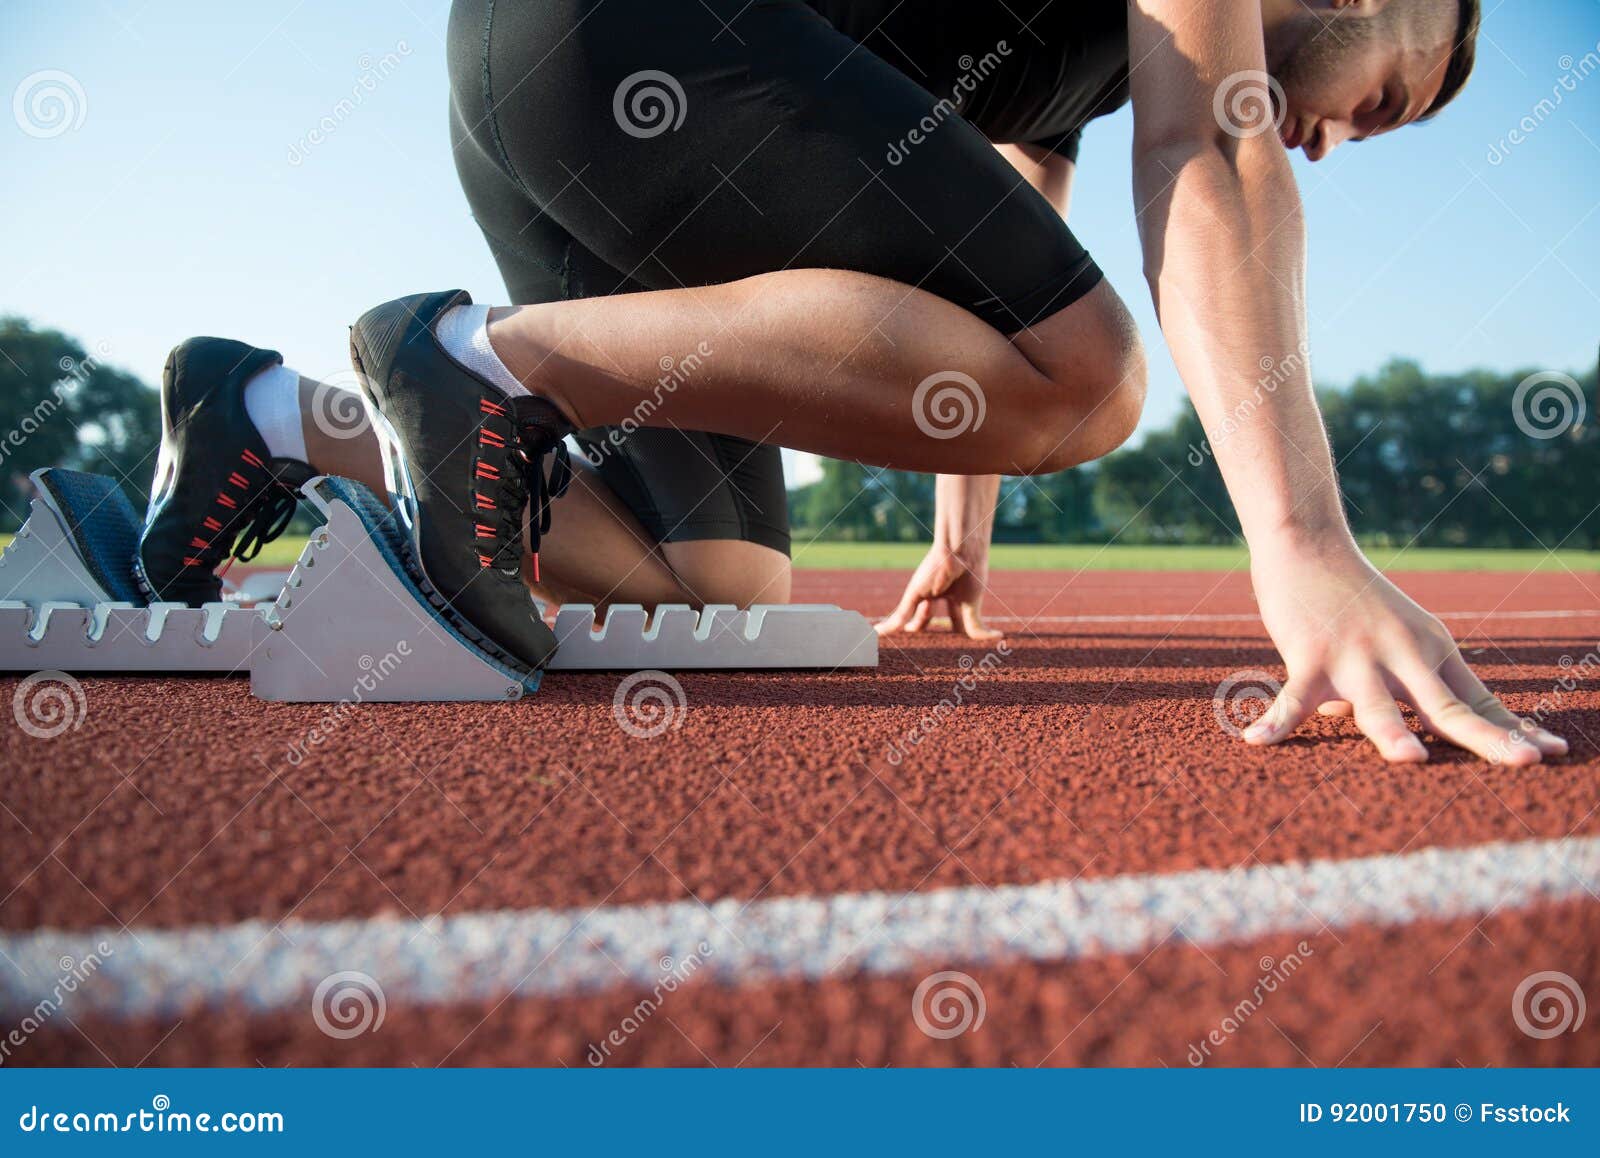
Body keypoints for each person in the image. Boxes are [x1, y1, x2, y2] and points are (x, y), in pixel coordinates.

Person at [136, 0, 1567, 766]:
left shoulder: (1088, 58)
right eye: (1392, 97)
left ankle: (273, 420)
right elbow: (1216, 148)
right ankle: (477, 360)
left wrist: (957, 551)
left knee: (709, 577)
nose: (1346, 141)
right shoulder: (1196, 38)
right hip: (657, 38)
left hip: (551, 86)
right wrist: (1304, 544)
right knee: (1098, 379)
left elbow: (998, 266)